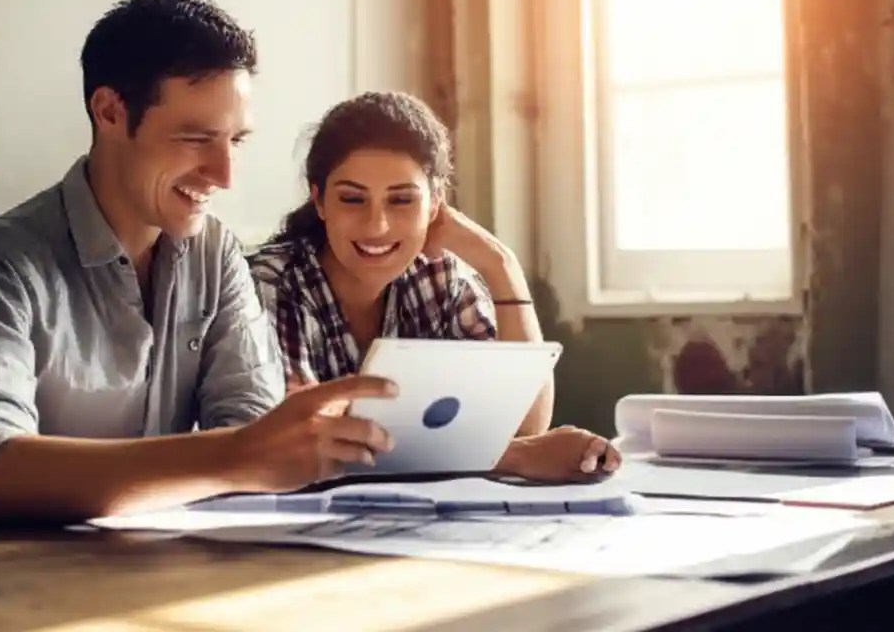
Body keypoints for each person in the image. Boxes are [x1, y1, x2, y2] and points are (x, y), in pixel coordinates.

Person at [0, 0, 398, 525]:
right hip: (11, 573)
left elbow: (253, 435)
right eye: (195, 138)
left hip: (159, 563)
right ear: (109, 112)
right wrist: (233, 456)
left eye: (236, 141)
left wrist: (281, 443)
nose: (224, 175)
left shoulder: (215, 254)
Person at [249, 91, 621, 482]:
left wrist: (501, 266)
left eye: (401, 200)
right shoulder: (273, 285)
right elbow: (298, 441)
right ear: (320, 201)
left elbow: (523, 426)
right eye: (353, 199)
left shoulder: (442, 279)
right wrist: (515, 457)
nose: (377, 225)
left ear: (434, 205)